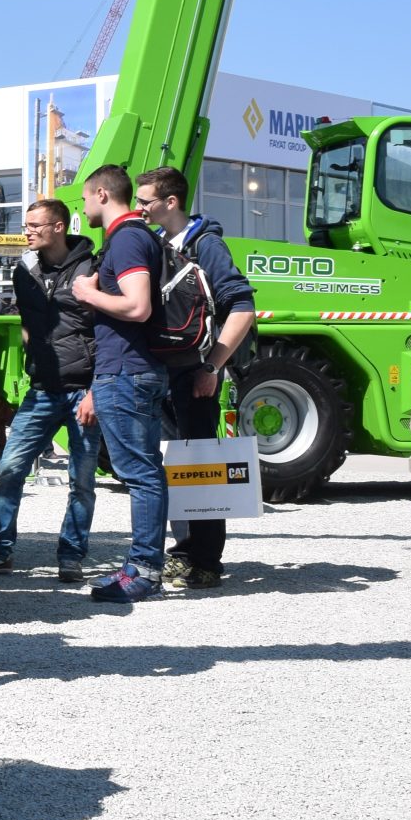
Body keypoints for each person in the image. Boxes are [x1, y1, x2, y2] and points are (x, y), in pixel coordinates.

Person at [135, 165, 258, 589]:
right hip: (165, 372)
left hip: (196, 374)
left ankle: (205, 559)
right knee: (176, 467)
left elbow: (242, 308)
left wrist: (212, 367)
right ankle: (183, 553)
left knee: (202, 468)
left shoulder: (207, 245)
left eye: (145, 201)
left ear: (170, 202)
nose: (139, 208)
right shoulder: (157, 244)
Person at [0, 200, 101, 581]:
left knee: (82, 480)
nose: (26, 231)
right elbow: (28, 323)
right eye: (25, 224)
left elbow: (108, 334)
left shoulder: (91, 268)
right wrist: (35, 361)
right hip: (43, 388)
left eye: (34, 225)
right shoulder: (24, 270)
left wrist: (96, 392)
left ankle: (72, 555)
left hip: (84, 390)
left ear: (58, 227)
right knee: (10, 468)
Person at [71, 164, 167, 605]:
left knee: (141, 474)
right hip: (133, 370)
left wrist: (87, 294)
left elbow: (138, 306)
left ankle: (144, 570)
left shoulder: (127, 237)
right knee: (144, 471)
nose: (83, 206)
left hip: (126, 372)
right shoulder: (136, 236)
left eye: (85, 198)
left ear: (103, 194)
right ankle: (142, 565)